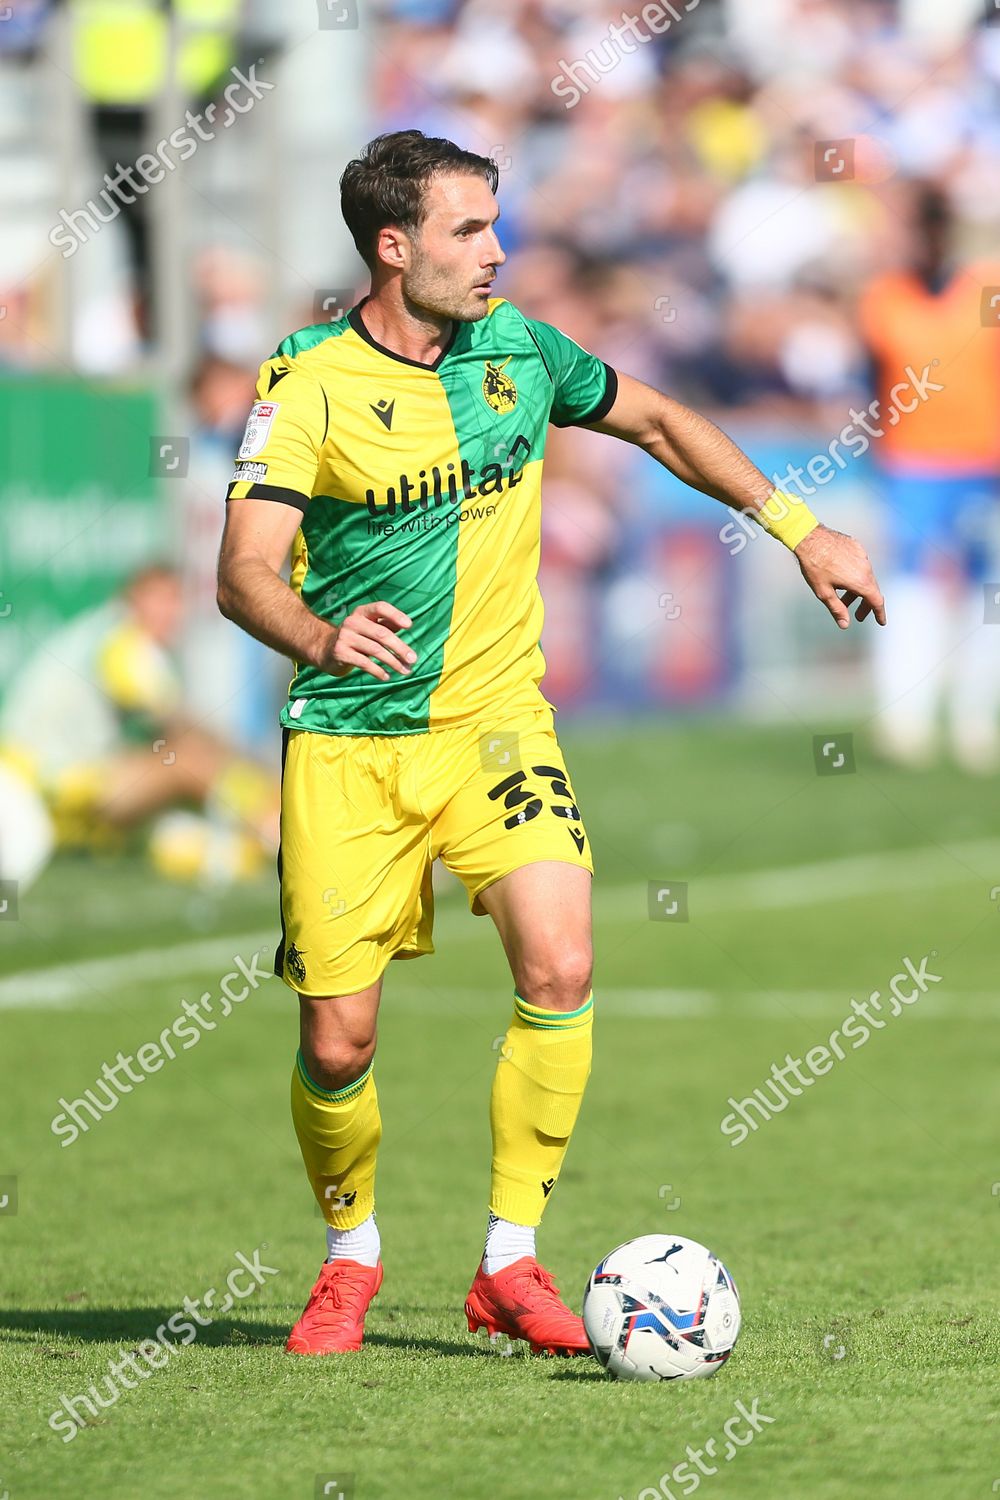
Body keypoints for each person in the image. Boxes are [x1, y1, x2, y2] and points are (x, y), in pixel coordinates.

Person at [216, 129, 884, 1358]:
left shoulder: (519, 348)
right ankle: (350, 1254)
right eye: (470, 231)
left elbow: (661, 421)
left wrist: (801, 529)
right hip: (351, 746)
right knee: (336, 1039)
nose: (498, 251)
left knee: (562, 965)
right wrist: (317, 634)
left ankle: (508, 1260)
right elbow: (243, 572)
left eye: (497, 224)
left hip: (497, 727)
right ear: (393, 245)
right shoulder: (303, 384)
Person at [0, 564, 278, 887]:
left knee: (170, 794)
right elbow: (182, 727)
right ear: (132, 599)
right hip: (42, 782)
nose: (171, 612)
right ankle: (273, 827)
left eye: (176, 601)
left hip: (44, 778)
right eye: (160, 600)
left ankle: (232, 845)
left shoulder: (103, 630)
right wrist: (260, 777)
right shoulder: (124, 642)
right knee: (185, 760)